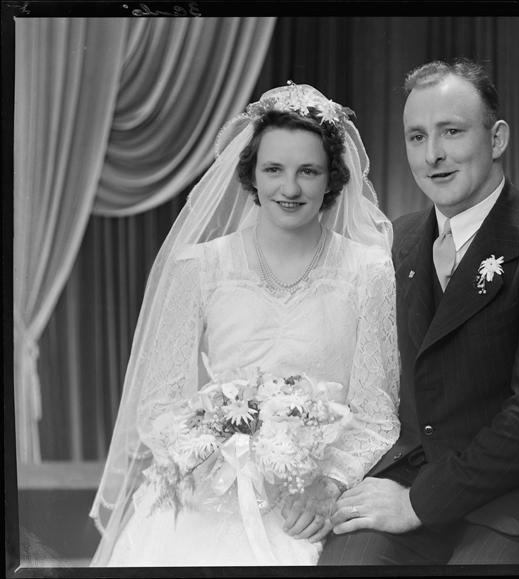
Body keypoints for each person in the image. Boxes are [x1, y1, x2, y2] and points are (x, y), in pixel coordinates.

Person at [89, 83, 400, 566]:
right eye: (273, 169)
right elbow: (159, 403)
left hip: (312, 500)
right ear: (251, 173)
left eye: (308, 171)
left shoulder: (369, 271)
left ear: (332, 177)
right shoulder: (198, 266)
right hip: (209, 489)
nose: (290, 188)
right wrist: (209, 451)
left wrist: (327, 482)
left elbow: (376, 414)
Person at [319, 58, 519, 565]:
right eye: (416, 137)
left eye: (451, 131)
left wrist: (419, 503)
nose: (433, 155)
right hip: (416, 471)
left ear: (497, 139)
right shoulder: (397, 240)